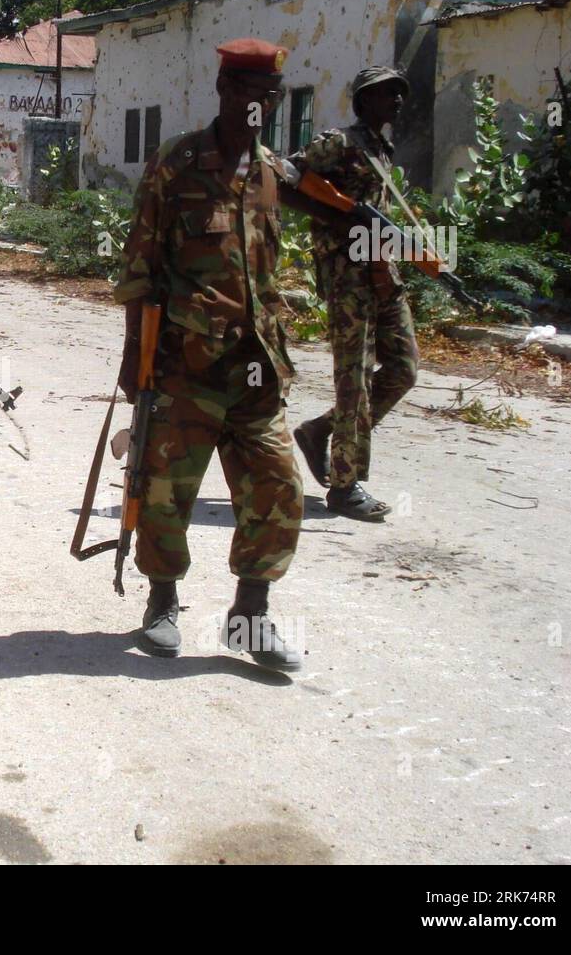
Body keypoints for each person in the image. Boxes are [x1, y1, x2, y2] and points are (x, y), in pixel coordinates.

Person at [114, 39, 304, 671]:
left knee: (278, 487)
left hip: (258, 367)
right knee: (166, 490)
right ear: (224, 90)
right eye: (251, 93)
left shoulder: (274, 171)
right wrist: (132, 357)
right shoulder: (179, 163)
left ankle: (250, 615)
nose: (262, 106)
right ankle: (162, 602)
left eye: (271, 97)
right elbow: (141, 266)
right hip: (186, 365)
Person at [289, 66, 419, 522]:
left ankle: (318, 432)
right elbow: (289, 177)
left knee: (403, 370)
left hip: (383, 274)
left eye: (399, 94)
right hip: (348, 278)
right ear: (363, 101)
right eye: (386, 94)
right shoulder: (339, 142)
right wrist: (343, 220)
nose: (397, 101)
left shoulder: (381, 148)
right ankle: (344, 487)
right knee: (355, 381)